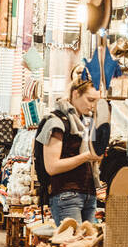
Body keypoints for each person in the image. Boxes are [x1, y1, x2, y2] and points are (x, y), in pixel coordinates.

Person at [39, 77, 101, 224]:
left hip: (88, 193)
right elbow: (52, 167)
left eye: (96, 102)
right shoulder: (57, 122)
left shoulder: (85, 123)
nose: (93, 106)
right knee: (72, 244)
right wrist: (87, 156)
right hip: (66, 194)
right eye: (90, 100)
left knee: (87, 244)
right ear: (75, 94)